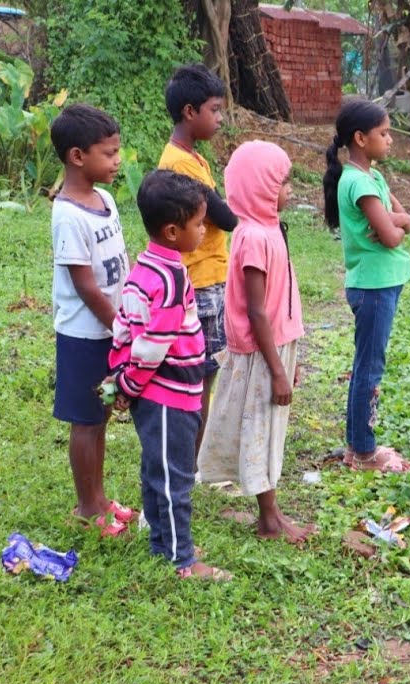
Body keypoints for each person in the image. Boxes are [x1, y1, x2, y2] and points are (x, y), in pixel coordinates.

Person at [108, 170, 230, 581]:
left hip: (161, 393)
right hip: (167, 396)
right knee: (174, 478)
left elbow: (123, 328)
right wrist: (127, 382)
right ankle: (183, 560)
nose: (204, 229)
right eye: (199, 224)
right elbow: (151, 344)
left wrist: (119, 375)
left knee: (155, 470)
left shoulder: (143, 268)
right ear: (174, 231)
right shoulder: (172, 277)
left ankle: (164, 543)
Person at [197, 141, 314, 543]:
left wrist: (289, 359)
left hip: (277, 347)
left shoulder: (270, 229)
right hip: (263, 353)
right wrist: (277, 371)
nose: (290, 190)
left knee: (271, 432)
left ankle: (272, 512)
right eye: (282, 182)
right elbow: (257, 311)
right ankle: (268, 519)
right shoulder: (252, 238)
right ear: (259, 186)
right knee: (261, 431)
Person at [49, 104, 137, 536]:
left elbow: (120, 259)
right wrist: (120, 325)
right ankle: (88, 508)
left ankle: (99, 499)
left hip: (112, 326)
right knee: (86, 420)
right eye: (109, 153)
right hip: (86, 334)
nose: (117, 160)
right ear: (77, 156)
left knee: (100, 414)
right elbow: (84, 284)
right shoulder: (67, 214)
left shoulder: (104, 199)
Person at [322, 100, 410, 474]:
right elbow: (394, 235)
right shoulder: (359, 183)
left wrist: (396, 222)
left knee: (368, 365)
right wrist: (397, 224)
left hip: (383, 282)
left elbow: (402, 218)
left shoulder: (372, 176)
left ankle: (356, 444)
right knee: (369, 369)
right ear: (361, 138)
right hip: (374, 287)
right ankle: (363, 452)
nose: (390, 140)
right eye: (384, 133)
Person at [159, 63, 238, 465]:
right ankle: (190, 461)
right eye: (215, 109)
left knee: (206, 375)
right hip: (200, 282)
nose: (220, 118)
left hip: (210, 276)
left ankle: (193, 457)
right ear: (190, 112)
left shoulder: (192, 157)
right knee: (201, 377)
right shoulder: (182, 165)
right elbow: (224, 216)